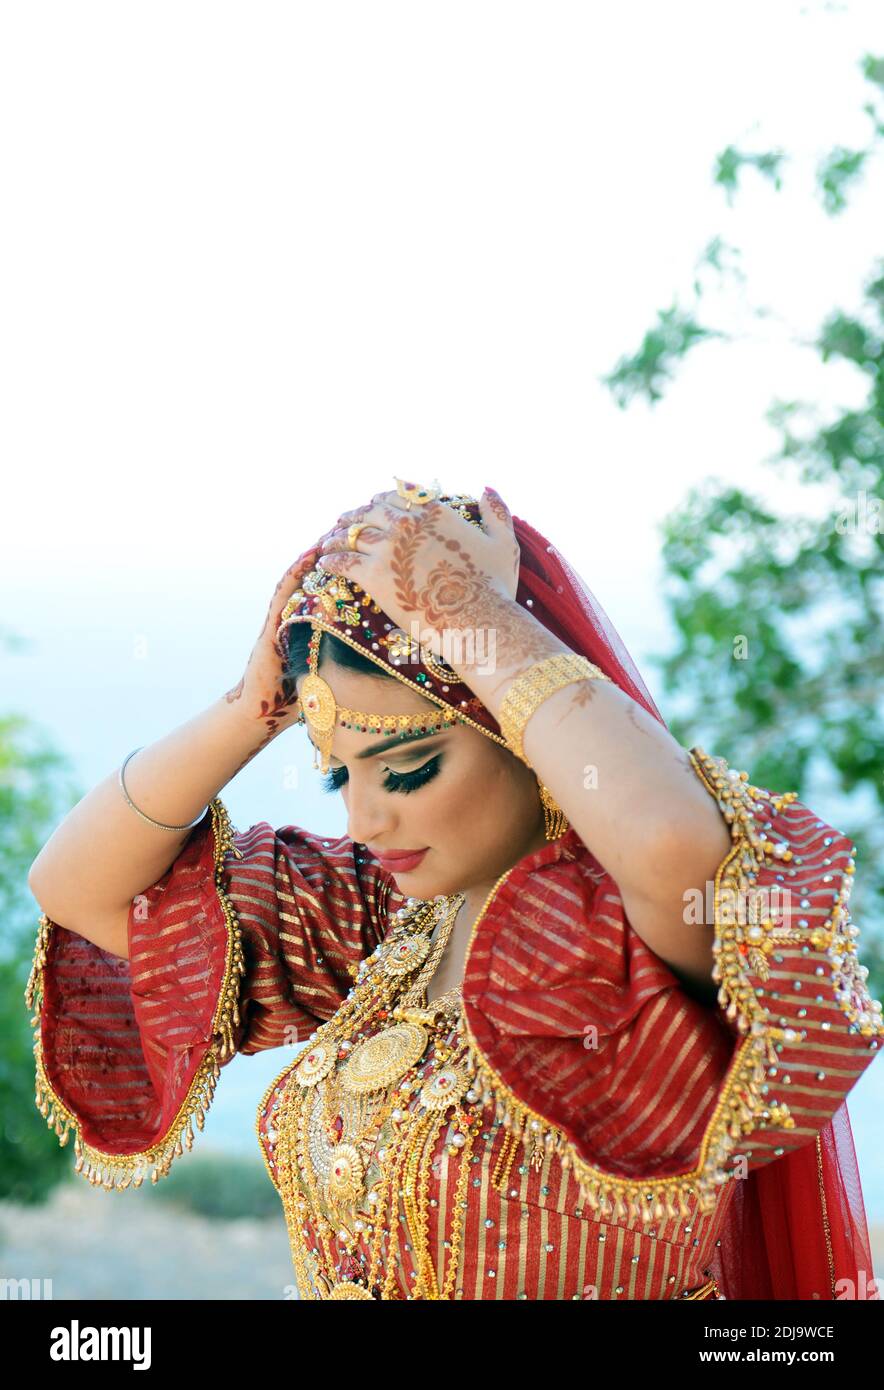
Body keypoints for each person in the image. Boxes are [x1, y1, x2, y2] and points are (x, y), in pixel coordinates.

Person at [26, 481, 883, 1301]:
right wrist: (251, 707)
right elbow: (77, 886)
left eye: (410, 769)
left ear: (521, 734)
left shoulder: (644, 935)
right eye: (339, 780)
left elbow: (670, 841)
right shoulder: (383, 919)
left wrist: (471, 616)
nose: (364, 821)